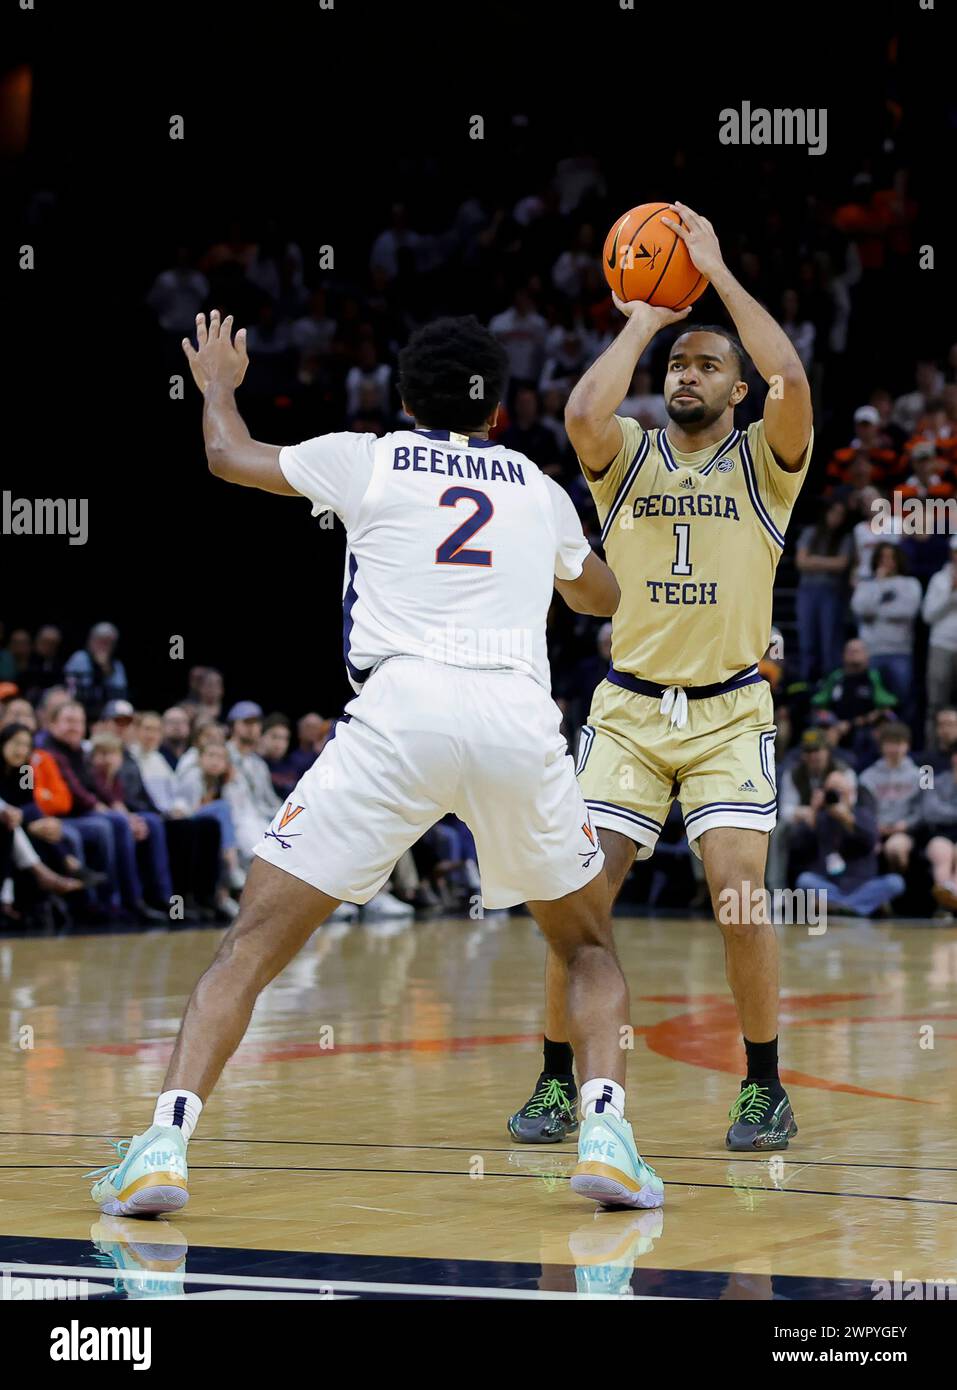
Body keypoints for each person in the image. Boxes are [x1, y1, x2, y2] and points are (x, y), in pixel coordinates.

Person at [87, 307, 658, 1220]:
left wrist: (219, 388)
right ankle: (606, 1137)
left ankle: (162, 1146)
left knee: (249, 948)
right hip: (515, 719)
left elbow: (227, 457)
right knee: (586, 947)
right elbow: (602, 597)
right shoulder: (533, 483)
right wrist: (580, 545)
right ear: (497, 411)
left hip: (399, 714)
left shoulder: (370, 456)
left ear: (403, 401)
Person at [508, 202, 813, 1153]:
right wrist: (645, 312)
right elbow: (579, 414)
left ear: (735, 390)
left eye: (705, 365)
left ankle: (762, 1084)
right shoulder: (628, 455)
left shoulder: (765, 462)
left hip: (727, 712)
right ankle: (555, 1079)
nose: (686, 374)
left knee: (737, 897)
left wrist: (713, 272)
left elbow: (790, 377)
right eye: (678, 364)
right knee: (577, 900)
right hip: (630, 712)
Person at [793, 769, 904, 917]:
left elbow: (870, 842)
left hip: (862, 884)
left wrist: (848, 819)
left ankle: (838, 907)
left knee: (895, 882)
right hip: (831, 883)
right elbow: (799, 847)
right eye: (831, 791)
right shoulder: (821, 817)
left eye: (840, 791)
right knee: (804, 880)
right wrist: (813, 811)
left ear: (850, 792)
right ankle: (858, 907)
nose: (836, 795)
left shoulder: (862, 814)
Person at [849, 543, 921, 712]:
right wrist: (879, 583)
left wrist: (875, 612)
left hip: (900, 651)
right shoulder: (867, 585)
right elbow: (859, 609)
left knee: (903, 698)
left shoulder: (910, 583)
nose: (886, 562)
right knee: (869, 701)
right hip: (871, 651)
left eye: (891, 557)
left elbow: (908, 611)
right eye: (882, 557)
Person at [795, 500, 853, 685]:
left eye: (841, 515)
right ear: (826, 512)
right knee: (807, 639)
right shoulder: (810, 533)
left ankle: (831, 684)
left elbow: (841, 564)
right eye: (834, 512)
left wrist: (813, 560)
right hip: (807, 591)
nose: (837, 517)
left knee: (830, 640)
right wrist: (828, 562)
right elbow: (801, 562)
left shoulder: (845, 538)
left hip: (831, 592)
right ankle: (806, 682)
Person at [857, 722, 922, 878]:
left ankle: (898, 889)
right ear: (881, 746)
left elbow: (924, 809)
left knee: (895, 848)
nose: (894, 749)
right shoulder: (867, 776)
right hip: (874, 830)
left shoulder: (922, 774)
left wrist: (907, 824)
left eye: (899, 743)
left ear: (907, 746)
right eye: (890, 744)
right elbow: (864, 808)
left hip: (907, 831)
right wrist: (874, 826)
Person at [63, 623, 129, 722]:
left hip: (107, 711)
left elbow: (120, 692)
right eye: (100, 641)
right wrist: (97, 670)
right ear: (91, 641)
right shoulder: (80, 658)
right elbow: (73, 687)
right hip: (81, 706)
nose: (103, 646)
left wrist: (108, 671)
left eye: (107, 643)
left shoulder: (116, 665)